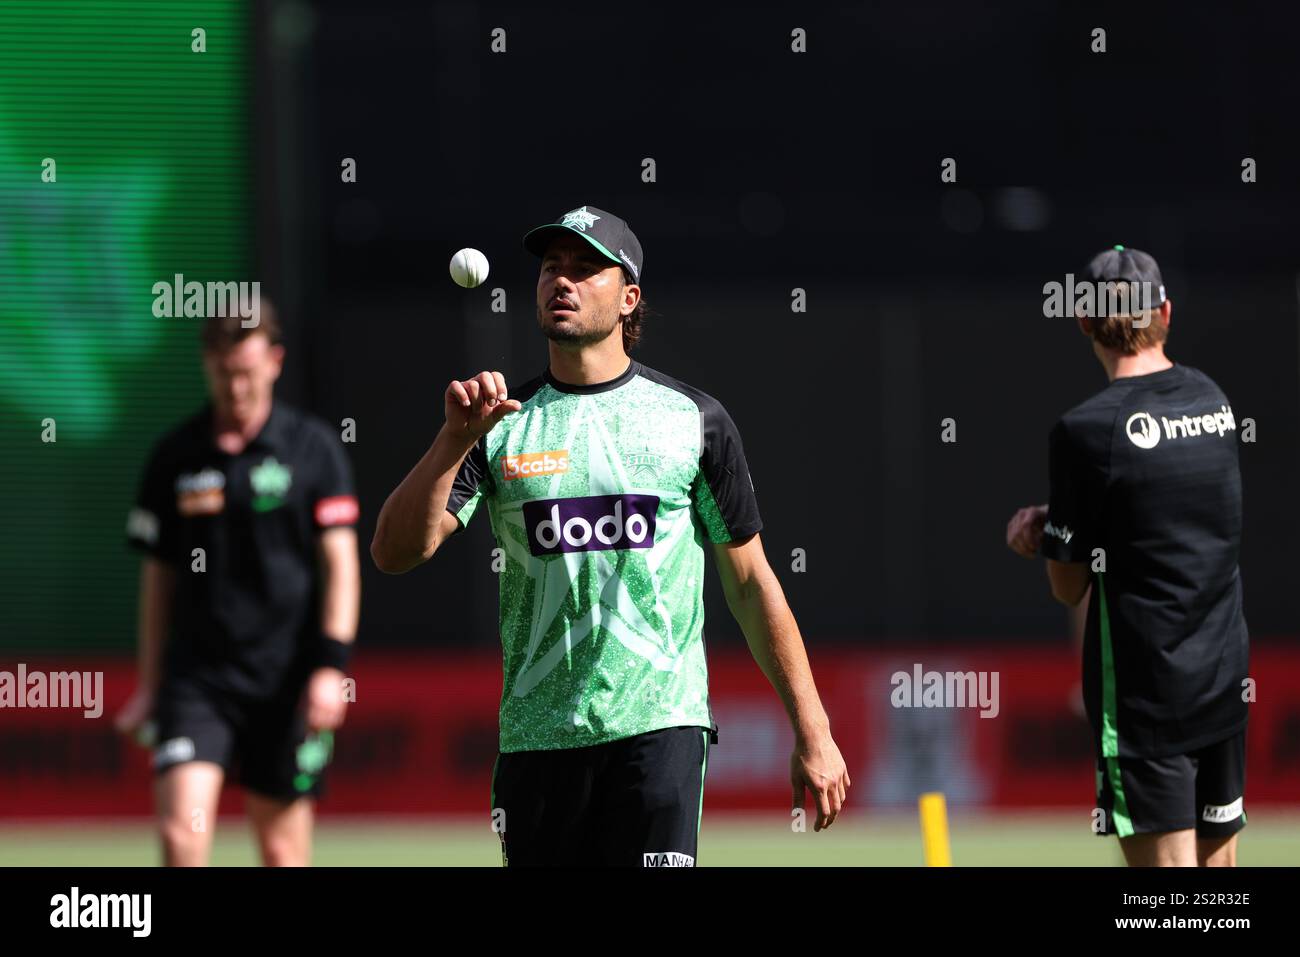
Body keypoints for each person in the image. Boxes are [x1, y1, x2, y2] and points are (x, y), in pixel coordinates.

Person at [372, 204, 850, 866]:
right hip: (537, 743)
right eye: (551, 267)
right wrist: (452, 441)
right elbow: (395, 552)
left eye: (585, 268)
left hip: (658, 732)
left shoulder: (695, 421)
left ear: (629, 297)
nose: (561, 281)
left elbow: (750, 582)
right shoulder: (500, 423)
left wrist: (813, 728)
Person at [1007, 246, 1249, 867]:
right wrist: (1068, 519)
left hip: (1146, 702)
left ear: (1084, 322)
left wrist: (1048, 536)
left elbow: (1068, 585)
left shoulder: (1086, 431)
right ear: (1165, 312)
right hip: (1223, 683)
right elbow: (1162, 512)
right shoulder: (1213, 401)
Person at [117, 302, 361, 866]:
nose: (237, 386)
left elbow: (342, 566)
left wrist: (329, 665)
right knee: (183, 836)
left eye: (248, 371)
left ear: (275, 361)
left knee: (281, 852)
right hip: (196, 682)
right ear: (207, 365)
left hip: (285, 680)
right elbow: (158, 579)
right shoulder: (174, 456)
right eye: (225, 372)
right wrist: (151, 684)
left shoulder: (313, 449)